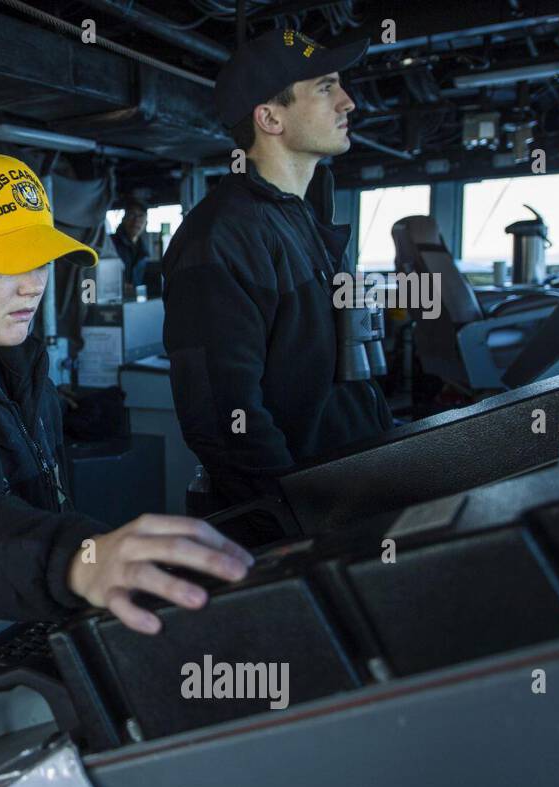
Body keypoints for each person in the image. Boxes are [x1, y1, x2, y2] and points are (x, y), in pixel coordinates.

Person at [0, 152, 253, 656]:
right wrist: (73, 560)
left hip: (27, 631)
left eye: (39, 259)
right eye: (6, 262)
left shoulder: (22, 363)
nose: (33, 283)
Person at [162, 28, 392, 534]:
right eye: (326, 88)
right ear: (270, 118)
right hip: (304, 525)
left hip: (353, 493)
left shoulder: (303, 217)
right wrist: (297, 521)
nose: (349, 102)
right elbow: (224, 420)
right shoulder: (221, 237)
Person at [110, 197, 149, 288]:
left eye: (141, 216)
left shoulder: (144, 250)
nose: (136, 220)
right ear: (124, 219)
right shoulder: (110, 244)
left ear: (146, 223)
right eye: (132, 214)